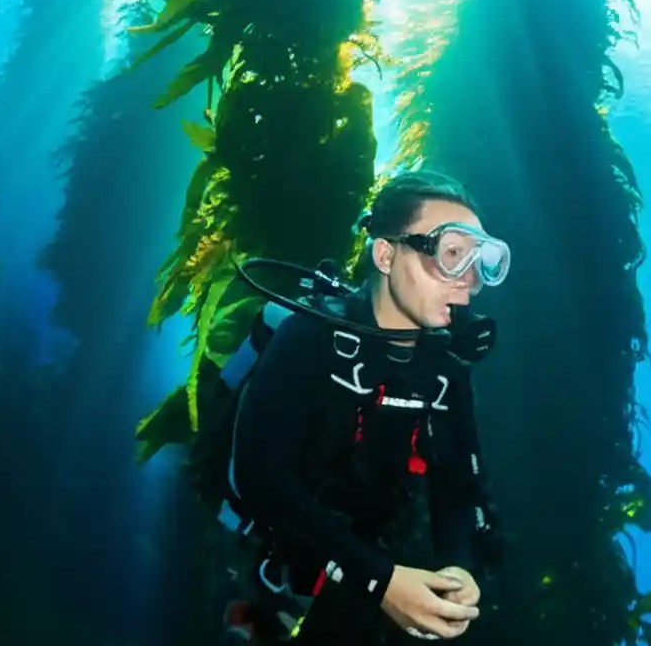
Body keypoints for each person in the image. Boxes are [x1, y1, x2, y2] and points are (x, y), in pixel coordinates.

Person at [214, 169, 509, 644]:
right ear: (386, 254)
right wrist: (381, 581)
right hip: (271, 560)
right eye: (452, 254)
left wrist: (459, 566)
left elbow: (457, 485)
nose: (470, 281)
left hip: (366, 564)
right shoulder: (309, 337)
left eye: (481, 260)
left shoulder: (446, 370)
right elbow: (260, 477)